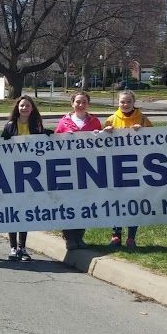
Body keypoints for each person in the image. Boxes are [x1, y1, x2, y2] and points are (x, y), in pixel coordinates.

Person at [102, 91, 153, 249]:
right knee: (116, 200)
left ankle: (131, 237)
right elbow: (100, 143)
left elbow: (155, 138)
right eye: (122, 102)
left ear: (133, 102)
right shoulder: (111, 119)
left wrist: (143, 131)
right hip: (116, 165)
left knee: (134, 201)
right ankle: (116, 234)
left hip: (137, 165)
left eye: (128, 101)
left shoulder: (142, 118)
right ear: (118, 102)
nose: (125, 104)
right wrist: (106, 132)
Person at [1, 95, 48, 261]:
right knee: (13, 210)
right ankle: (13, 247)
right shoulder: (10, 126)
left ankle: (23, 247)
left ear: (32, 108)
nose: (24, 108)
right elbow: (1, 148)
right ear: (17, 108)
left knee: (25, 211)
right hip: (13, 174)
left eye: (27, 106)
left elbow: (45, 142)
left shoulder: (37, 125)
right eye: (22, 105)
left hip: (32, 174)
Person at [54, 92, 102, 251]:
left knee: (84, 202)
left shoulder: (94, 122)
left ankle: (79, 236)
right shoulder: (64, 122)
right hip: (67, 169)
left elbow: (102, 146)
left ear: (88, 104)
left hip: (88, 169)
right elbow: (53, 145)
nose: (80, 105)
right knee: (68, 202)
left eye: (84, 102)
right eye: (78, 102)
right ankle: (69, 237)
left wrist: (98, 136)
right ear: (72, 104)